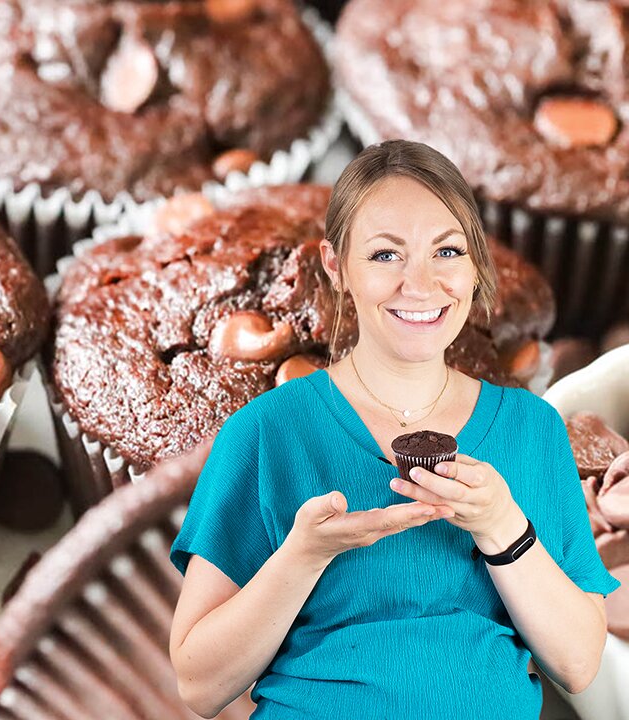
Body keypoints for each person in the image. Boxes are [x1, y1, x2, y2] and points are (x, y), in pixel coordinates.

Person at [167, 139, 619, 719]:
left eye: (448, 251)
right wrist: (304, 555)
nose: (421, 284)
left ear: (477, 264)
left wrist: (502, 526)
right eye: (385, 255)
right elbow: (198, 687)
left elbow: (580, 666)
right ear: (336, 267)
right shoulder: (264, 435)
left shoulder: (533, 430)